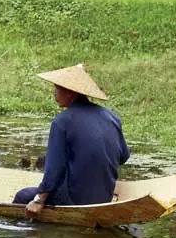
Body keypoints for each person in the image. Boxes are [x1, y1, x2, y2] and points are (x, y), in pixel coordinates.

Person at [14, 63, 130, 218]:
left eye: (57, 88)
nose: (54, 93)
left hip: (73, 200)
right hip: (104, 197)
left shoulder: (62, 122)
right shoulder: (111, 116)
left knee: (22, 195)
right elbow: (123, 156)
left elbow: (54, 169)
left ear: (70, 93)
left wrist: (39, 200)